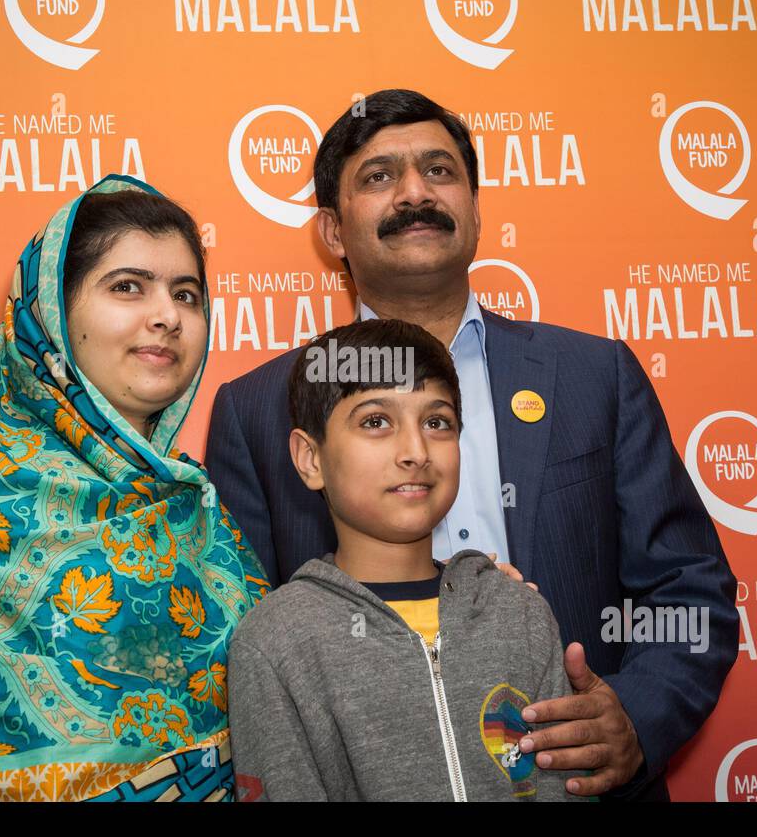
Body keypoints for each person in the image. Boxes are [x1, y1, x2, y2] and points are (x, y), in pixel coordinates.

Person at [206, 89, 739, 801]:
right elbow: (246, 634)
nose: (415, 193)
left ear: (477, 210)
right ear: (332, 231)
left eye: (440, 170)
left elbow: (691, 591)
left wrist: (634, 719)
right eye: (379, 177)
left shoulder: (594, 377)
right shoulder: (257, 409)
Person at [0, 175, 268, 802]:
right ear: (52, 314)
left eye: (187, 295)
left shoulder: (197, 509)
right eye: (127, 287)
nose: (168, 315)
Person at [228, 318, 591, 801]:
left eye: (436, 422)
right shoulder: (276, 641)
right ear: (310, 459)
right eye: (375, 422)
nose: (416, 451)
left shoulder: (518, 613)